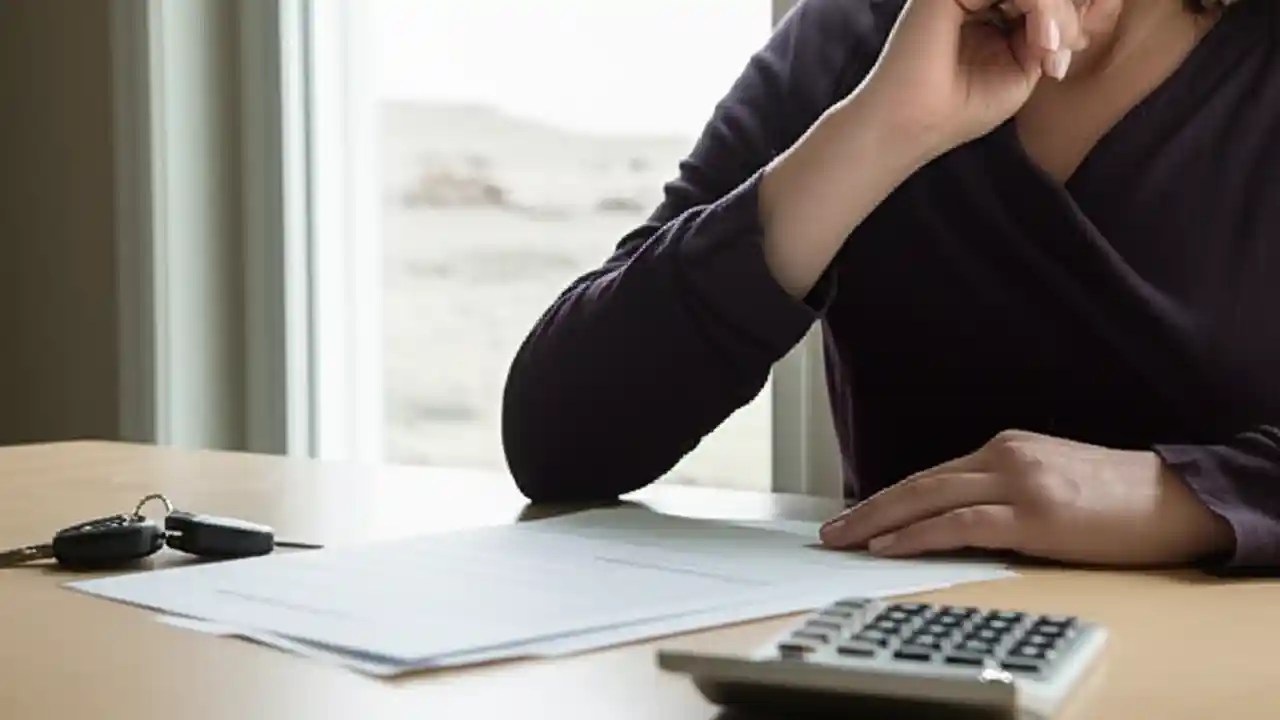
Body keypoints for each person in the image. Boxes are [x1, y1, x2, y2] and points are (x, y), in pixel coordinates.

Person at [501, 0, 1280, 571]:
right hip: (898, 674)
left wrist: (1180, 500)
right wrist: (882, 129)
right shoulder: (855, 38)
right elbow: (562, 444)